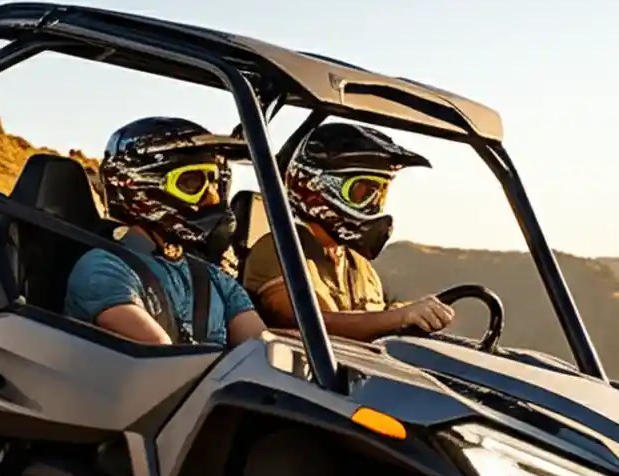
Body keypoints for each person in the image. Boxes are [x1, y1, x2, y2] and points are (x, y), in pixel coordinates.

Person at [242, 122, 456, 342]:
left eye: (380, 194)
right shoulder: (278, 250)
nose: (374, 207)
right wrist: (396, 317)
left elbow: (373, 327)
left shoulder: (360, 266)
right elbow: (301, 323)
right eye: (363, 192)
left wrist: (403, 314)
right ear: (315, 186)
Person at [65, 117, 267, 347]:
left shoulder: (216, 279)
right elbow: (160, 357)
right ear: (142, 187)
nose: (212, 197)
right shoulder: (102, 269)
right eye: (192, 183)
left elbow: (261, 352)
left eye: (216, 183)